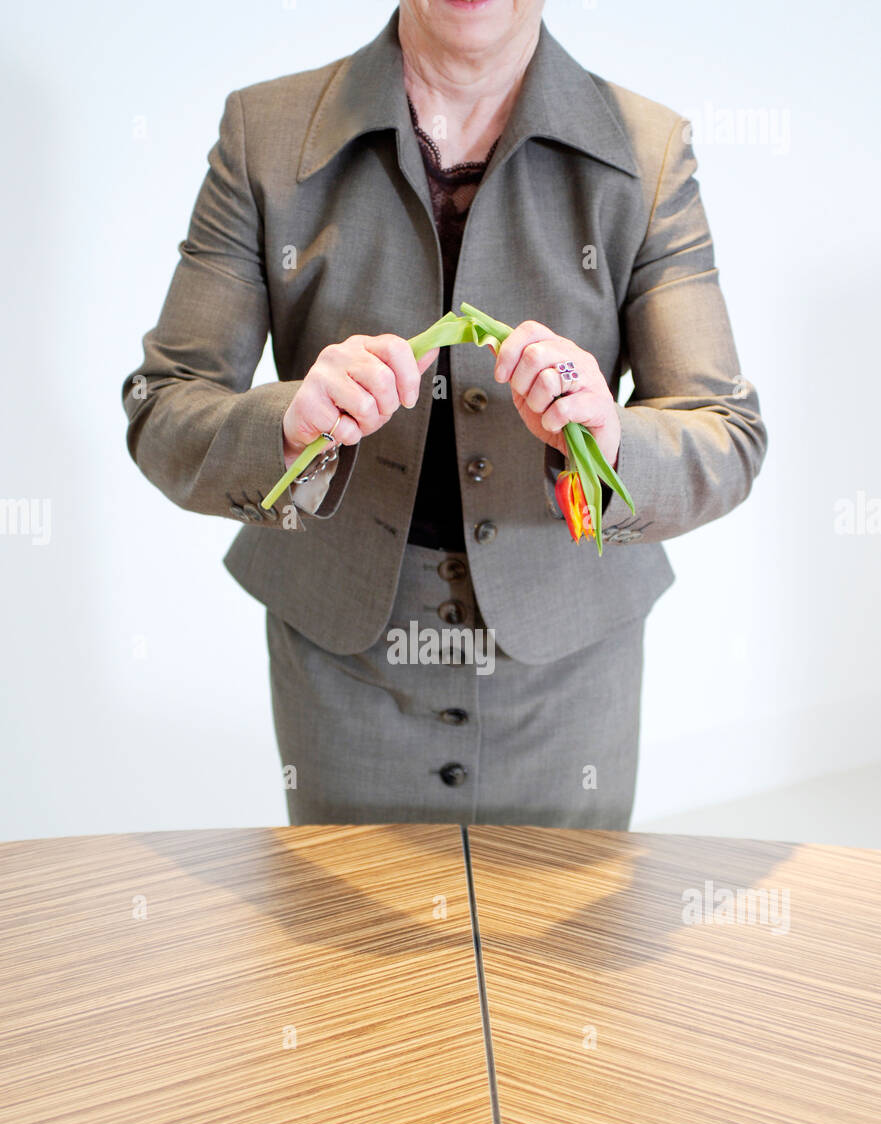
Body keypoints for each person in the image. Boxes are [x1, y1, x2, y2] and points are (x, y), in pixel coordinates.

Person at [121, 0, 767, 828]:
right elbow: (163, 403)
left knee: (562, 951)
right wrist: (288, 422)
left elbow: (725, 433)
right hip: (342, 661)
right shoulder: (266, 132)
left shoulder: (648, 147)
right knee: (357, 953)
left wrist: (606, 441)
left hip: (568, 665)